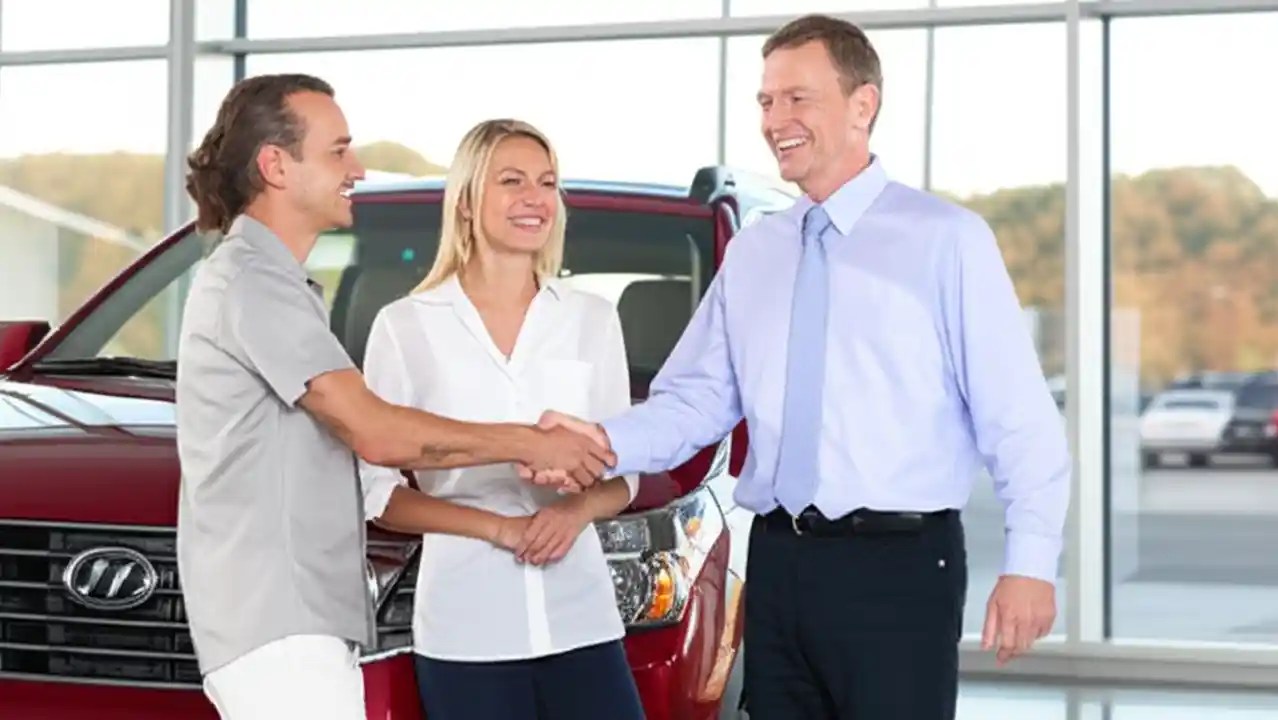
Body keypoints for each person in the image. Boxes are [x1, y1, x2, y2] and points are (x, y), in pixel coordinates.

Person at [536, 13, 1072, 720]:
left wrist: (1030, 564)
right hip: (782, 563)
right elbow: (696, 401)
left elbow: (1020, 419)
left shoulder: (946, 241)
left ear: (862, 106)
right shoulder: (757, 253)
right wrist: (596, 444)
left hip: (899, 568)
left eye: (797, 98)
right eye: (766, 101)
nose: (774, 119)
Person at [174, 76, 614, 720]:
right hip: (280, 617)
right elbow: (374, 433)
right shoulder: (254, 282)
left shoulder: (273, 282)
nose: (357, 168)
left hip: (295, 615)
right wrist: (529, 441)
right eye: (338, 151)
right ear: (275, 165)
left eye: (546, 181)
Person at [355, 118, 646, 720]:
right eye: (511, 181)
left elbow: (626, 470)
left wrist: (575, 510)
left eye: (546, 182)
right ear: (466, 201)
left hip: (582, 616)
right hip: (466, 624)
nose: (534, 198)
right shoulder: (405, 327)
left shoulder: (592, 319)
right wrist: (497, 528)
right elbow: (375, 493)